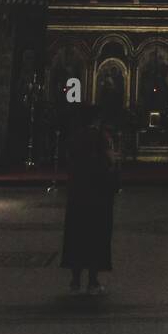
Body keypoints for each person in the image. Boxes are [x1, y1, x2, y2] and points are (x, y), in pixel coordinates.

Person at [61, 107, 117, 294]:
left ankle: (74, 281)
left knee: (76, 236)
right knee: (95, 236)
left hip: (78, 194)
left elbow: (68, 161)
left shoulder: (74, 137)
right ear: (97, 120)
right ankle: (93, 282)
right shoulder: (102, 137)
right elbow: (110, 162)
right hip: (97, 194)